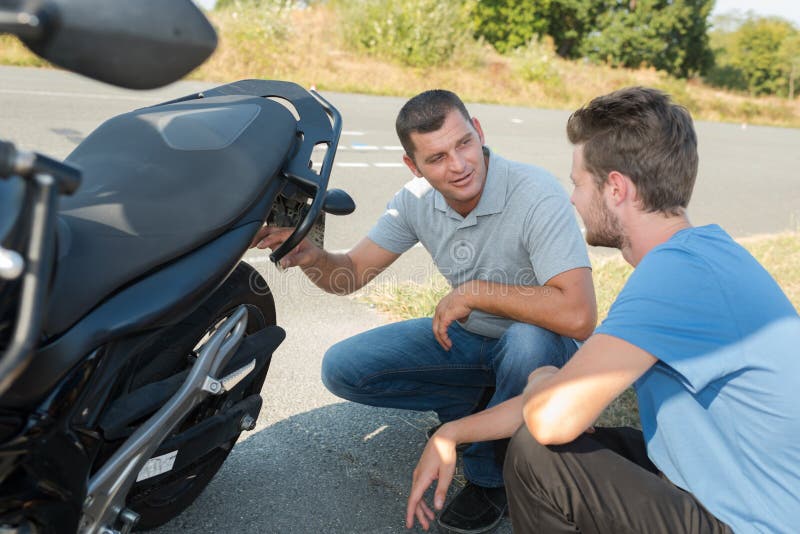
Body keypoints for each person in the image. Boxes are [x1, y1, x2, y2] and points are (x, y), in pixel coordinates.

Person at [252, 89, 596, 534]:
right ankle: (477, 406)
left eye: (464, 143)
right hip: (474, 338)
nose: (459, 165)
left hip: (547, 347)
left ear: (479, 132)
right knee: (344, 367)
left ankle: (494, 477)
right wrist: (313, 257)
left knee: (525, 341)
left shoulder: (535, 194)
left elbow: (579, 314)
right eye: (436, 158)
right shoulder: (415, 200)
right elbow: (352, 274)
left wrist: (476, 292)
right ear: (413, 166)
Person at [500, 86, 800, 533]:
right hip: (724, 487)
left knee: (538, 456)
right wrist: (453, 434)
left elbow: (549, 419)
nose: (573, 199)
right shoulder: (705, 254)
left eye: (578, 182)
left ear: (616, 188)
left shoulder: (674, 275)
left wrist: (542, 376)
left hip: (750, 523)